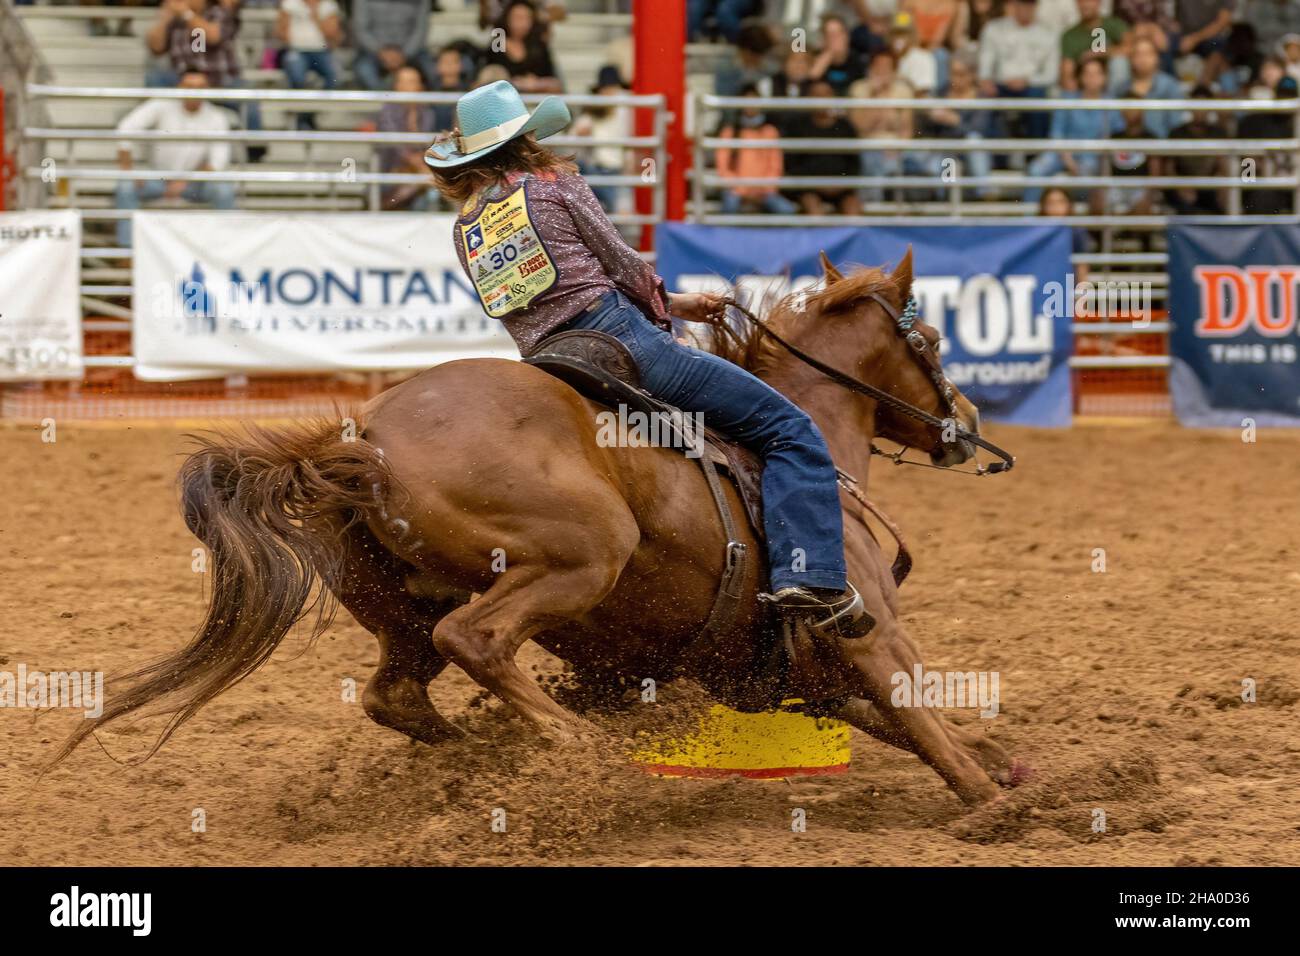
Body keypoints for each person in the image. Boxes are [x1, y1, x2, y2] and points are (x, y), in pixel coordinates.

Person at [423, 80, 867, 627]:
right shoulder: (555, 184)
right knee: (788, 429)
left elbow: (526, 301)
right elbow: (620, 264)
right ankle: (810, 577)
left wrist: (676, 304)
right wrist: (666, 308)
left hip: (549, 362)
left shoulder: (467, 226)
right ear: (525, 136)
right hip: (622, 342)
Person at [114, 71, 237, 247]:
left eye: (200, 88)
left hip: (196, 183)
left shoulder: (217, 117)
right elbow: (125, 128)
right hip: (158, 179)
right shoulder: (161, 104)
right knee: (125, 185)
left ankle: (226, 247)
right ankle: (127, 251)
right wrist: (128, 169)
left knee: (223, 190)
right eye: (189, 87)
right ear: (179, 87)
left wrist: (184, 181)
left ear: (207, 89)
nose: (194, 92)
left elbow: (217, 163)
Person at [977, 0, 1058, 138]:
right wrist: (986, 80)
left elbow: (1051, 74)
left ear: (1036, 6)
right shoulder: (994, 28)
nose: (1025, 8)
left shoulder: (1048, 33)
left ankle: (1035, 153)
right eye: (1021, 3)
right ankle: (995, 154)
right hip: (1000, 85)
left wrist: (1027, 81)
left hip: (1032, 86)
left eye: (1029, 4)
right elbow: (985, 65)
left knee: (1038, 98)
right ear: (1014, 4)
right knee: (985, 97)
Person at [715, 85, 799, 215]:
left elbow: (775, 167)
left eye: (754, 101)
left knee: (787, 210)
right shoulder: (729, 132)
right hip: (736, 191)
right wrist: (743, 191)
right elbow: (723, 169)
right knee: (730, 205)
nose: (751, 107)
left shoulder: (770, 132)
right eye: (747, 102)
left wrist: (762, 190)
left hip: (764, 192)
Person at [784, 80, 865, 215]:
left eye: (825, 94)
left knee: (853, 210)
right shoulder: (797, 126)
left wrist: (841, 184)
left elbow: (854, 164)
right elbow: (792, 166)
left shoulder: (845, 127)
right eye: (817, 95)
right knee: (814, 209)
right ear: (809, 98)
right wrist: (817, 184)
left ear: (833, 97)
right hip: (808, 189)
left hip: (841, 188)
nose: (821, 99)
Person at [377, 66, 439, 210]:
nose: (409, 86)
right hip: (393, 168)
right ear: (397, 86)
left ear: (419, 86)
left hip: (420, 168)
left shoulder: (426, 111)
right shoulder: (387, 111)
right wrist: (417, 161)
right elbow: (395, 144)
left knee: (423, 197)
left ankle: (389, 204)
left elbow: (429, 144)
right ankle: (386, 203)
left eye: (413, 82)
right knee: (431, 179)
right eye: (405, 82)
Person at [276, 0, 343, 131]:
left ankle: (308, 114)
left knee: (335, 76)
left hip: (321, 51)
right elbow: (280, 31)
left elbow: (333, 34)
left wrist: (316, 15)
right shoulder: (289, 3)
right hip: (297, 50)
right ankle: (305, 118)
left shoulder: (329, 5)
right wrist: (293, 43)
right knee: (297, 75)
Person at [352, 0, 437, 91]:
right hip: (373, 52)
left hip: (411, 51)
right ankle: (385, 102)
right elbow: (361, 29)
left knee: (433, 73)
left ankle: (433, 105)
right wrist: (380, 52)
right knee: (364, 71)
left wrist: (405, 53)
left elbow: (421, 29)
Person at [485, 0, 563, 93]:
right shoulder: (497, 46)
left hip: (535, 101)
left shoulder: (539, 46)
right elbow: (488, 80)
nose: (523, 23)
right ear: (507, 19)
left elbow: (555, 82)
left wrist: (535, 84)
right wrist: (518, 83)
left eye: (527, 18)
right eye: (518, 18)